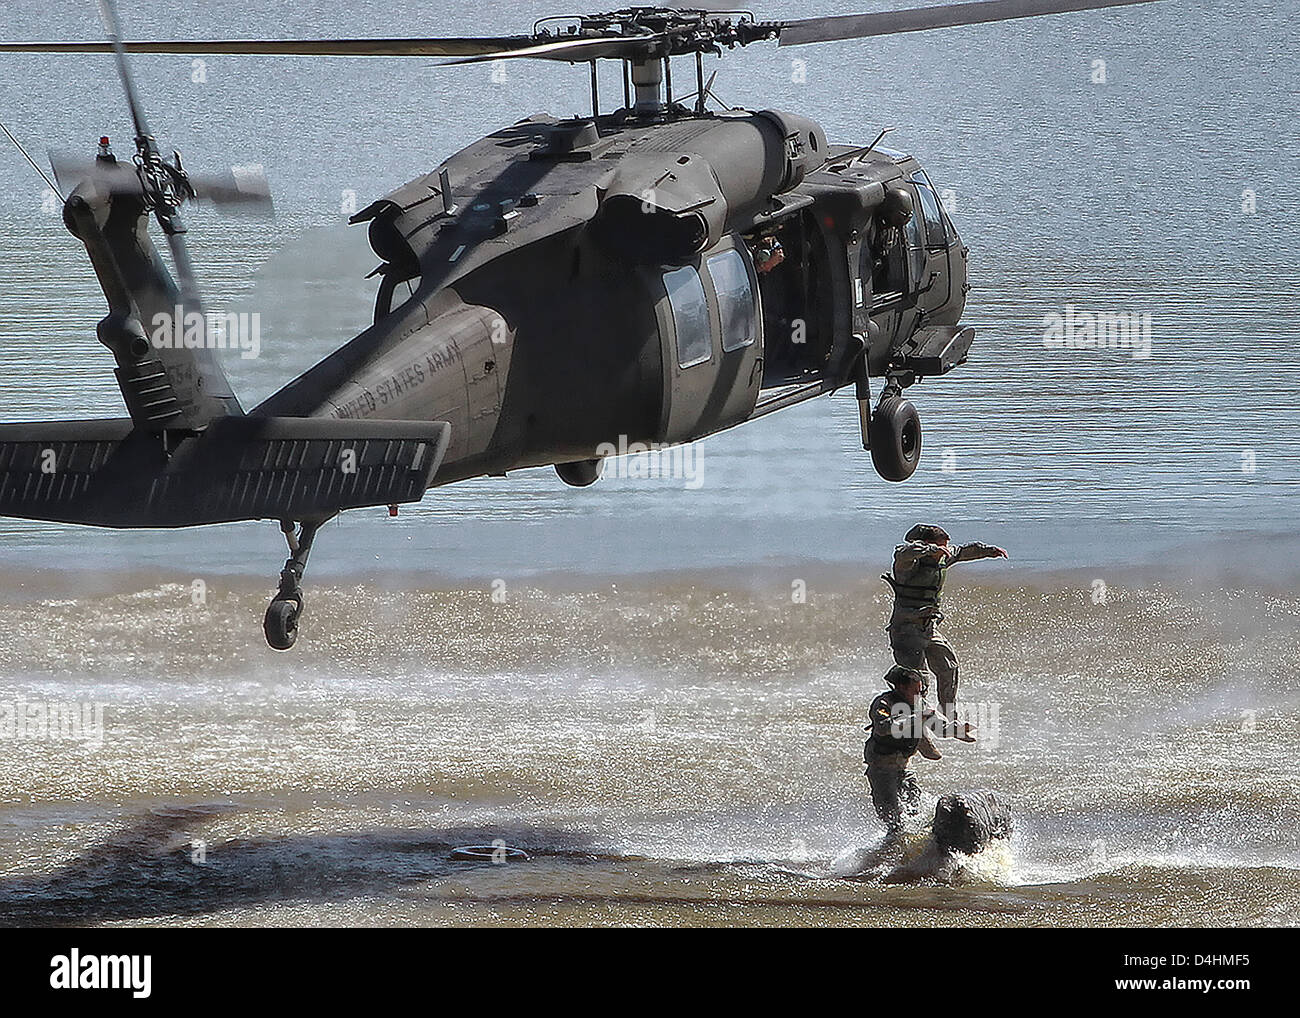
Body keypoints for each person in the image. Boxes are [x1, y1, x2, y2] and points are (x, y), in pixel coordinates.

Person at [883, 524, 1008, 740]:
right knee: (918, 680)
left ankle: (950, 719)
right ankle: (931, 727)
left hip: (929, 628)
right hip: (906, 629)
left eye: (945, 547)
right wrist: (931, 550)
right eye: (941, 547)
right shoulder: (908, 563)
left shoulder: (944, 557)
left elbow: (964, 551)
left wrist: (989, 551)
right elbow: (902, 551)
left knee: (949, 667)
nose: (946, 551)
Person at [864, 664, 931, 834]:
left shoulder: (918, 703)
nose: (919, 693)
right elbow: (883, 727)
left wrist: (959, 730)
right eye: (915, 689)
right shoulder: (884, 703)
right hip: (882, 768)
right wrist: (912, 720)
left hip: (904, 767)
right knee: (893, 819)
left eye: (921, 690)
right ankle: (896, 852)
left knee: (916, 810)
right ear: (901, 687)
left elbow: (937, 723)